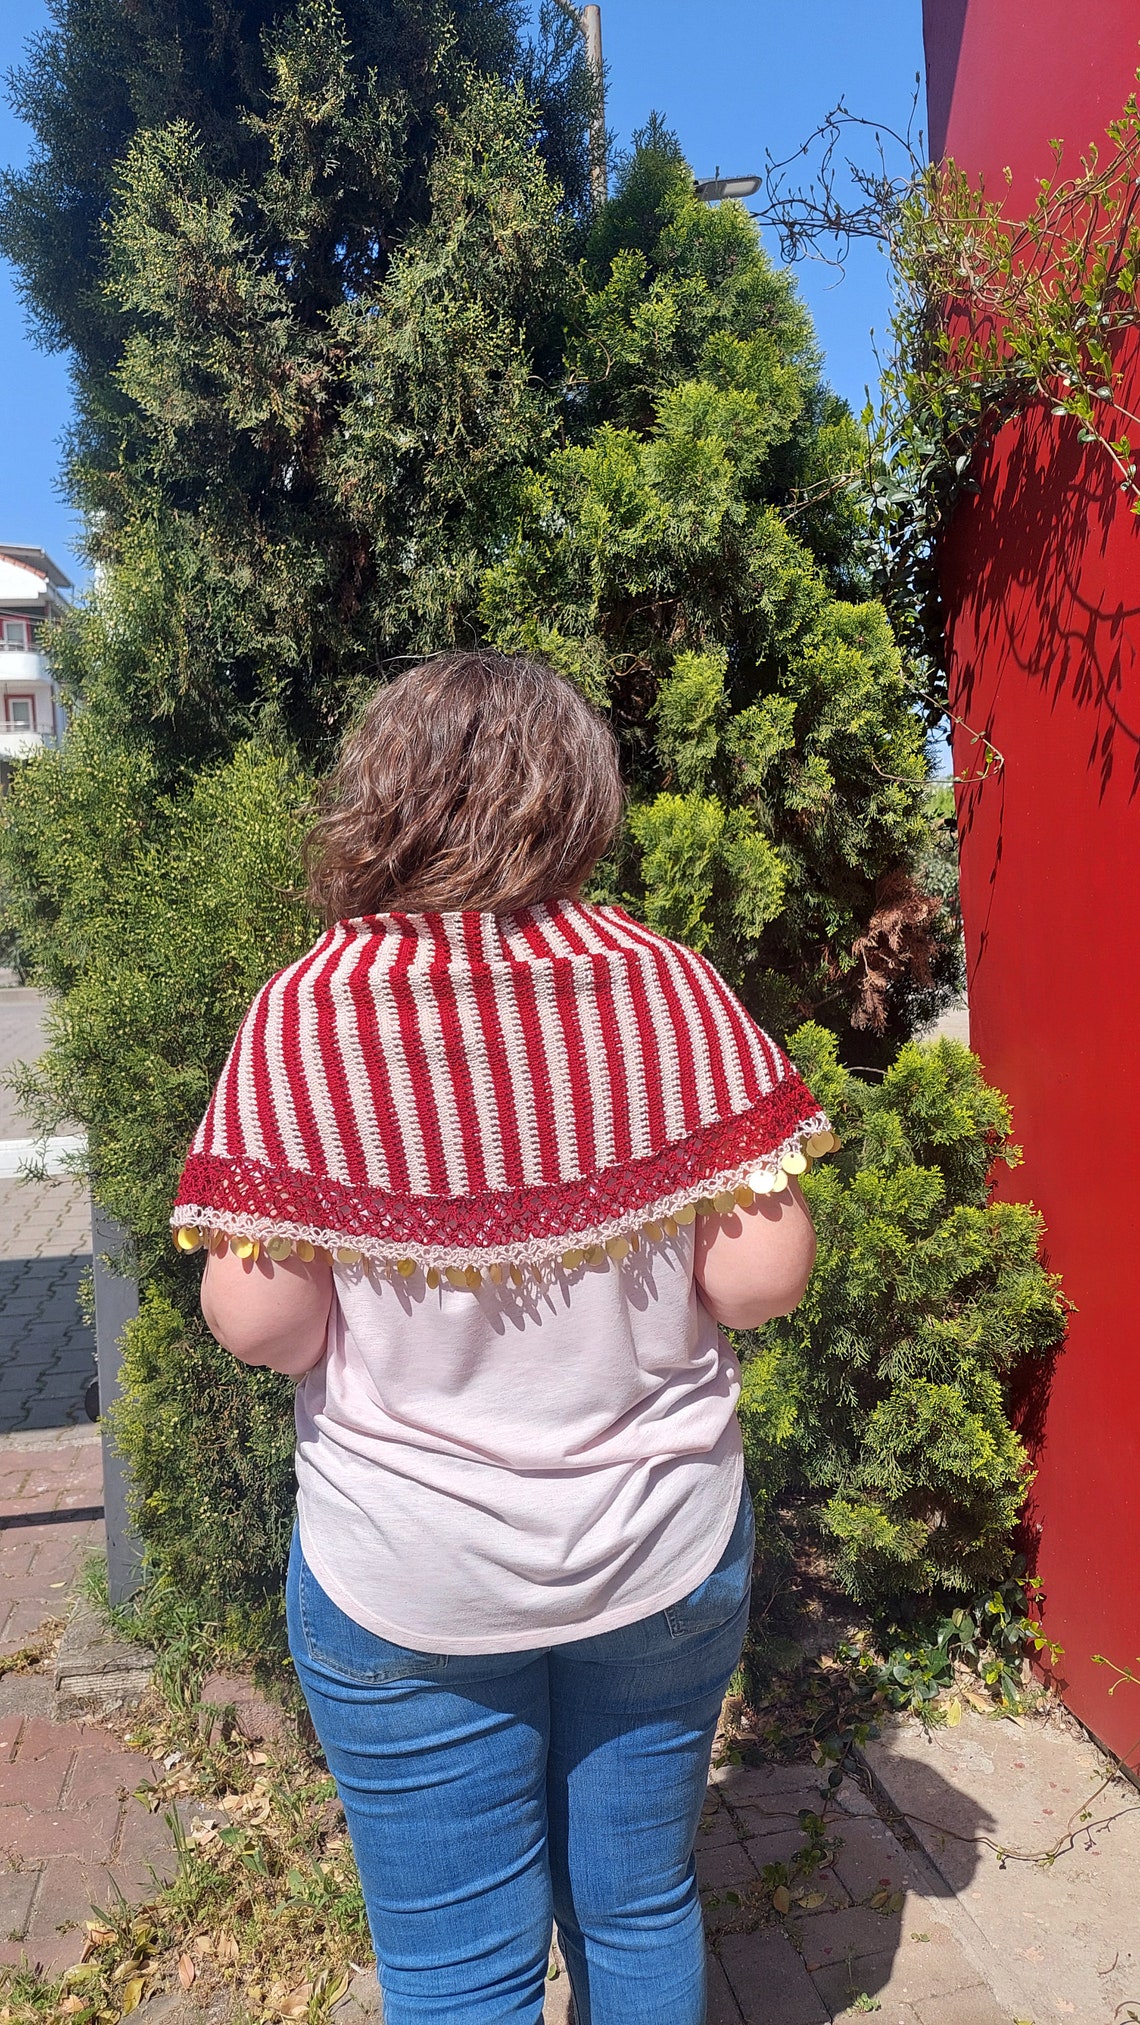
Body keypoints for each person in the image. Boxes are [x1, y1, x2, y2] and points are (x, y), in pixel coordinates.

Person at [173, 650, 829, 2025]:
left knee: (455, 1965)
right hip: (658, 1543)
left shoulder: (313, 1009)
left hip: (408, 1570)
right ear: (577, 797)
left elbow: (266, 1318)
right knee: (638, 1908)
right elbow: (766, 1276)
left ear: (381, 797)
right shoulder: (669, 988)